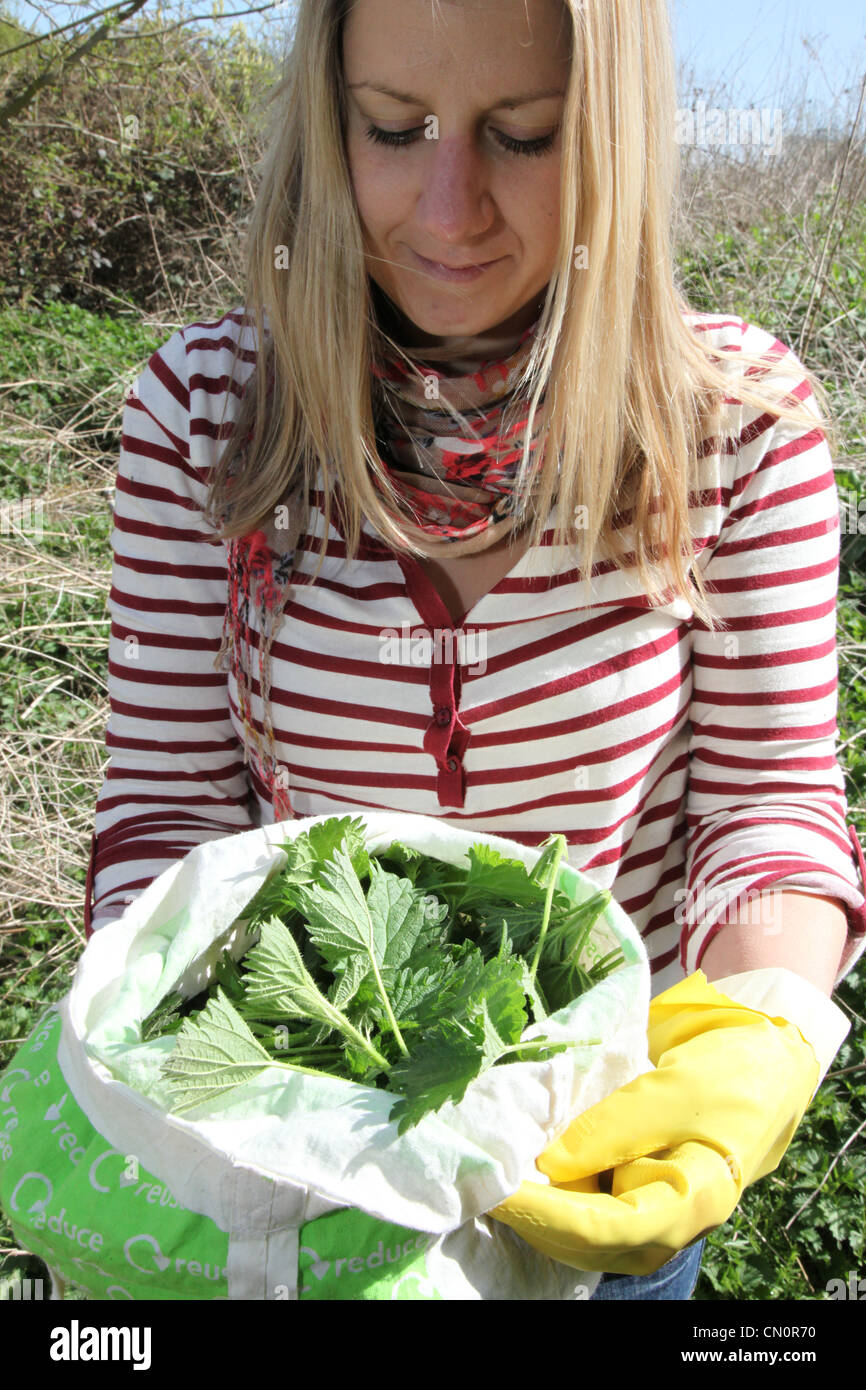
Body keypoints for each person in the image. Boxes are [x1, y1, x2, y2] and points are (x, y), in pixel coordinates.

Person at [84, 0, 866, 1299]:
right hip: (309, 1154)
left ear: (613, 131)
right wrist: (175, 1055)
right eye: (393, 129)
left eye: (524, 135)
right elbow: (165, 812)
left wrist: (761, 1022)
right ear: (328, 125)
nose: (448, 210)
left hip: (598, 1162)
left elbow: (767, 805)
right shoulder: (205, 419)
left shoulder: (738, 428)